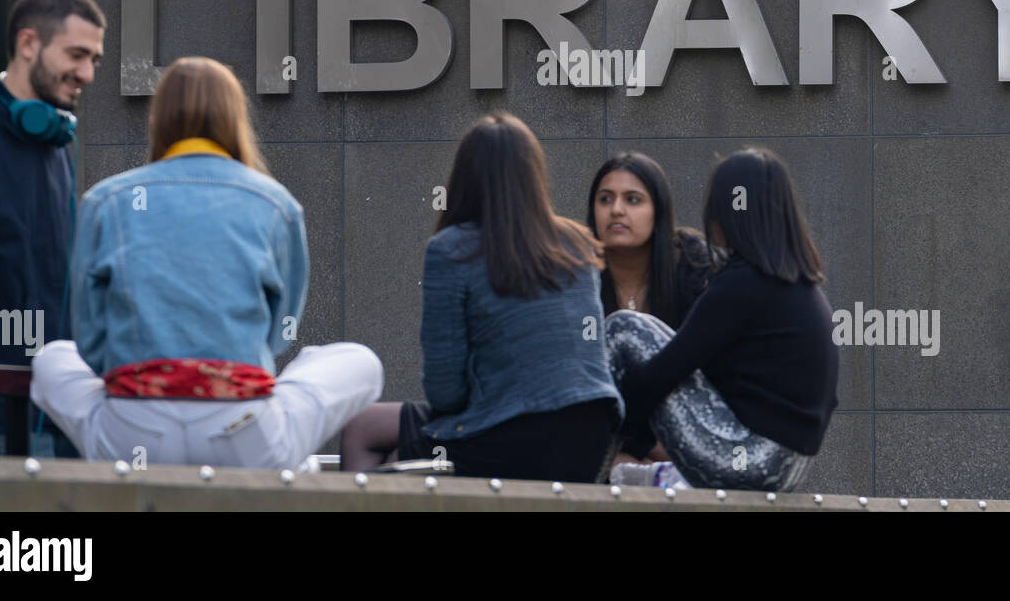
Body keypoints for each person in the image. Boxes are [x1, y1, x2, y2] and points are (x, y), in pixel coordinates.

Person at [30, 56, 383, 469]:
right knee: (361, 362)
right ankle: (288, 459)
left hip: (132, 434)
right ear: (236, 118)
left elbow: (89, 342)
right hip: (243, 431)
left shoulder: (106, 200)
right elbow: (277, 334)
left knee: (51, 357)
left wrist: (152, 374)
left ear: (156, 120)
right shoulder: (276, 203)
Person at [341, 111, 623, 482]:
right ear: (534, 175)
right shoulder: (577, 243)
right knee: (406, 453)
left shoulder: (451, 249)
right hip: (594, 434)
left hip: (514, 432)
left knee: (362, 427)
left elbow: (445, 391)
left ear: (464, 178)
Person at [604, 147, 839, 491]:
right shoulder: (800, 288)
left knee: (624, 328)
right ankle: (652, 474)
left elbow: (663, 373)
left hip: (745, 459)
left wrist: (624, 433)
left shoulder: (744, 282)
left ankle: (579, 471)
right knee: (646, 334)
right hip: (783, 468)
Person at [0, 0, 106, 456]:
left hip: (54, 425)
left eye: (94, 59)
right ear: (28, 44)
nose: (88, 73)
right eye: (77, 54)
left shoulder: (54, 149)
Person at [587, 152, 724, 465]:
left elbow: (714, 377)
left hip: (693, 440)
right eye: (605, 199)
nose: (616, 210)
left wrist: (667, 448)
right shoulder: (576, 277)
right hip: (611, 445)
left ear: (657, 211)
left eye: (633, 200)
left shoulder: (696, 268)